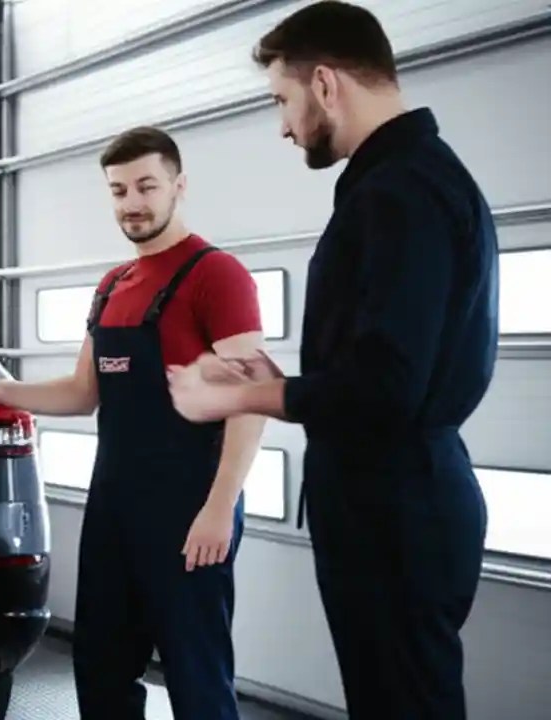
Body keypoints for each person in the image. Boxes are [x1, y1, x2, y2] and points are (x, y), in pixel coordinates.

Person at [167, 2, 497, 718]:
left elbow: (385, 390)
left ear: (324, 84)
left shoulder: (399, 192)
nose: (283, 125)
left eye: (281, 101)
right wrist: (276, 383)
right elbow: (384, 367)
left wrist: (236, 401)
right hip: (398, 499)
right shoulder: (406, 182)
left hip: (397, 509)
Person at [0, 126, 266, 719]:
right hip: (115, 503)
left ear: (178, 186)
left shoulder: (217, 275)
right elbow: (83, 392)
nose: (132, 203)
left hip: (191, 505)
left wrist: (220, 507)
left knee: (196, 668)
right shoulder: (114, 285)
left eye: (146, 186)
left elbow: (248, 398)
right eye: (118, 191)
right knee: (102, 662)